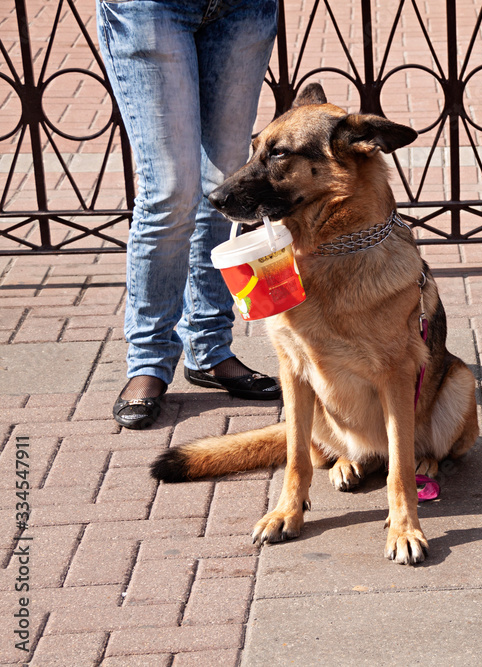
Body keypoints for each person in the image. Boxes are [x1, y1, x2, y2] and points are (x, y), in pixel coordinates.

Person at [97, 0, 282, 429]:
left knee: (223, 186)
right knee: (170, 191)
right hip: (150, 8)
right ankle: (148, 361)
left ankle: (208, 348)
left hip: (243, 9)